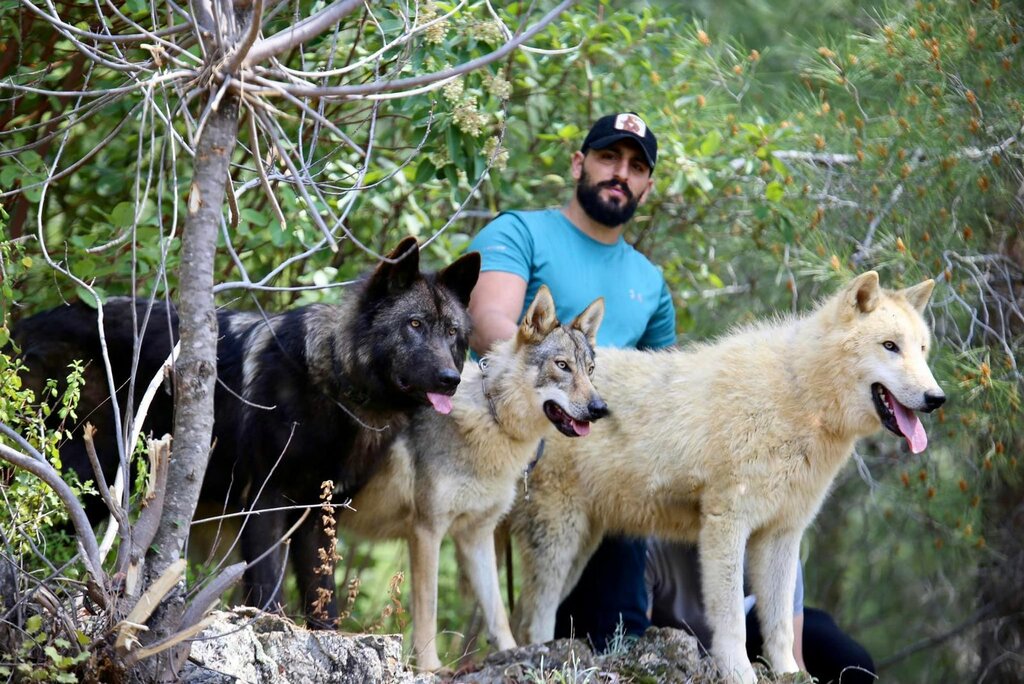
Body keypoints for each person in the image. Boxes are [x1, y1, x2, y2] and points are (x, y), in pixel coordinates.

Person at [467, 112, 675, 651]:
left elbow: (662, 386)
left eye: (636, 167)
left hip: (607, 461)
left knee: (617, 635)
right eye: (609, 157)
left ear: (647, 187)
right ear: (579, 163)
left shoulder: (649, 282)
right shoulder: (521, 232)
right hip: (523, 442)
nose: (620, 173)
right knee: (535, 637)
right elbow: (489, 326)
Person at [646, 538, 878, 683]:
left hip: (750, 630)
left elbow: (793, 664)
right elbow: (639, 645)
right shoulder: (652, 547)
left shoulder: (776, 550)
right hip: (678, 646)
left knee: (854, 663)